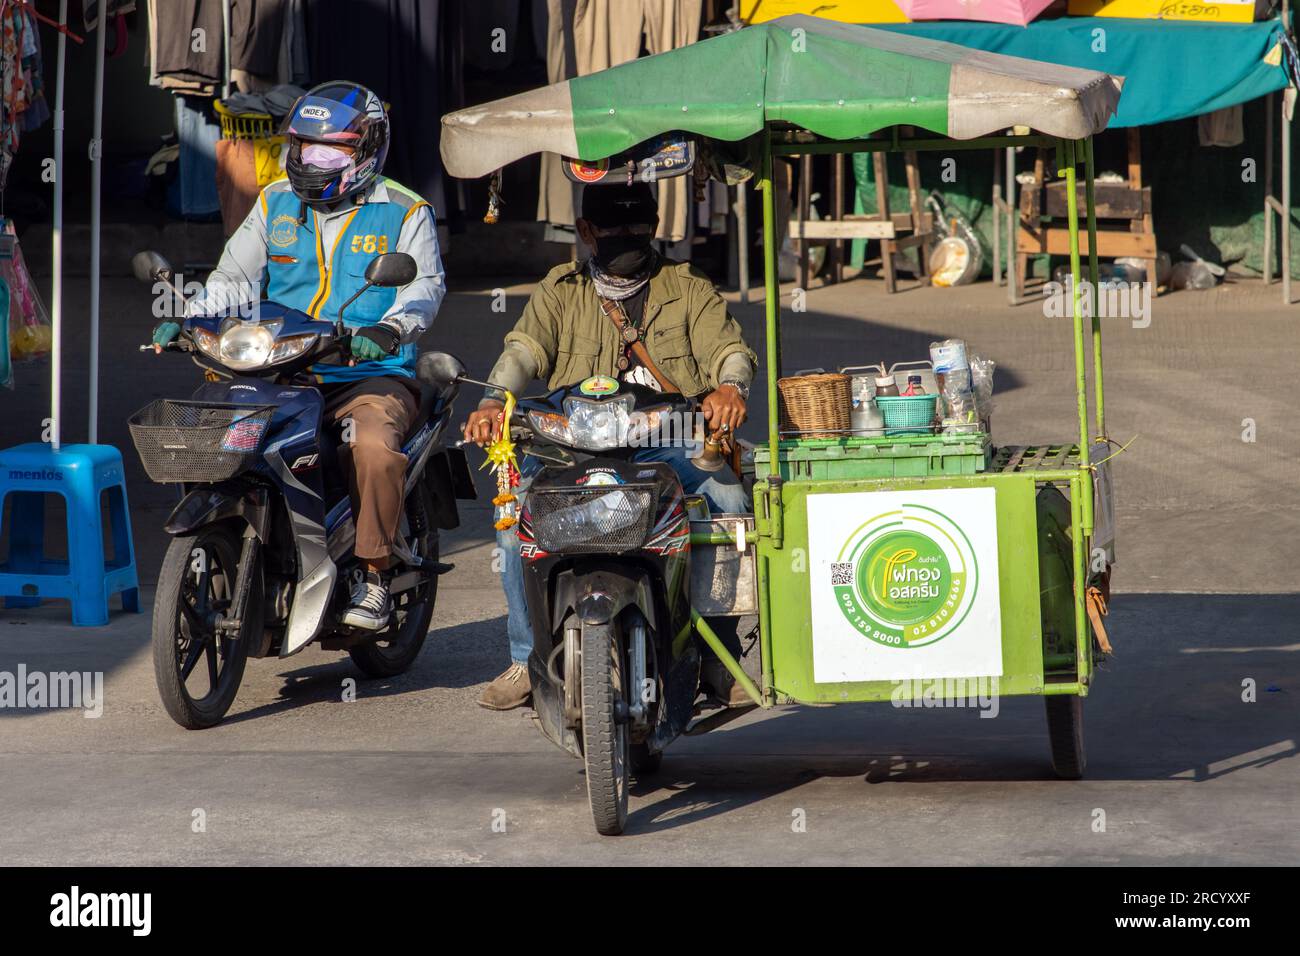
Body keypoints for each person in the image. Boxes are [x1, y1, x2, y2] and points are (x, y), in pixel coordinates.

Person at [151, 81, 446, 630]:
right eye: (308, 147)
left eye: (332, 148)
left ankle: (376, 575)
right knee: (205, 428)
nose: (316, 160)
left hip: (365, 373)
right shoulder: (274, 201)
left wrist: (389, 329)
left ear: (366, 149)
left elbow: (423, 288)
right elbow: (232, 280)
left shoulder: (405, 210)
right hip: (279, 366)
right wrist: (190, 320)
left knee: (375, 449)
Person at [464, 182, 756, 711]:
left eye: (639, 229)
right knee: (514, 528)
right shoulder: (560, 288)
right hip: (570, 441)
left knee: (730, 503)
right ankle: (526, 657)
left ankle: (718, 654)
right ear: (586, 232)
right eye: (614, 230)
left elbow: (730, 349)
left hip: (667, 435)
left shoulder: (687, 287)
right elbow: (523, 350)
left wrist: (731, 386)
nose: (628, 238)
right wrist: (493, 400)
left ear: (654, 229)